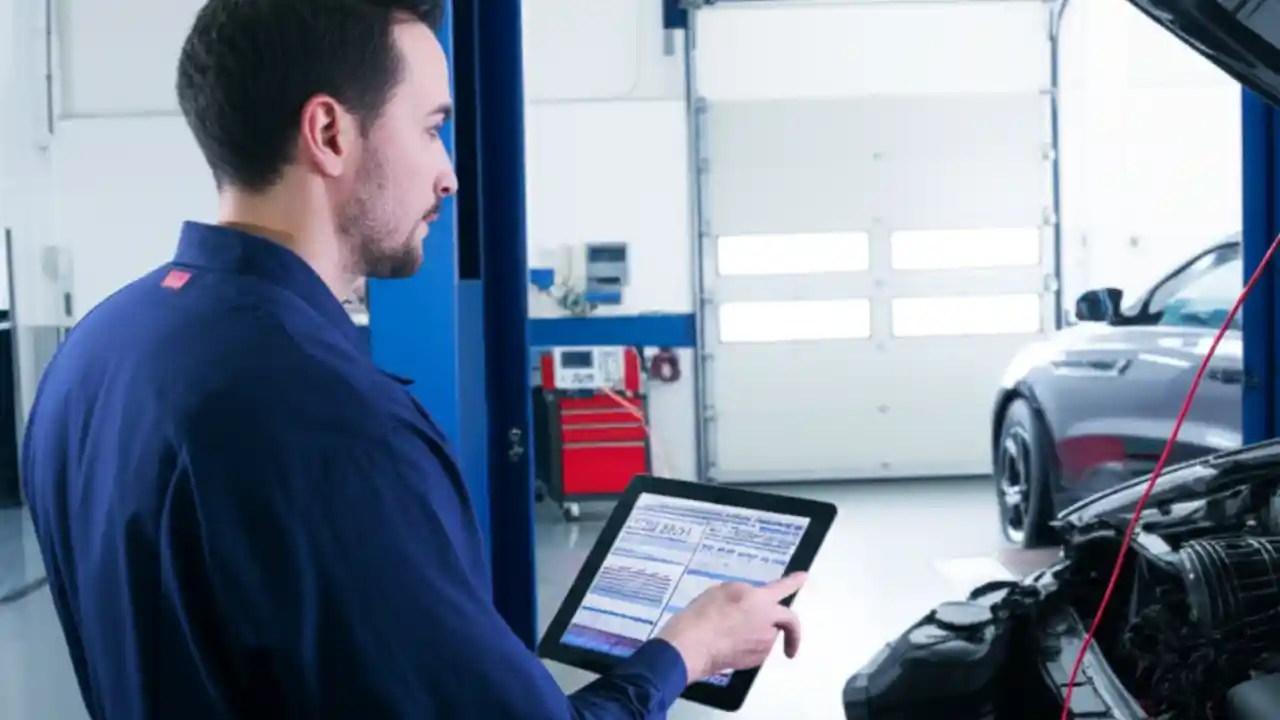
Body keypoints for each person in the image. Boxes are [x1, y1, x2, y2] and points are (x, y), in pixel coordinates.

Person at [20, 1, 809, 718]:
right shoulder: (331, 420)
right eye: (432, 127)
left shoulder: (96, 349)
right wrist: (686, 652)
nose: (451, 174)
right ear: (330, 134)